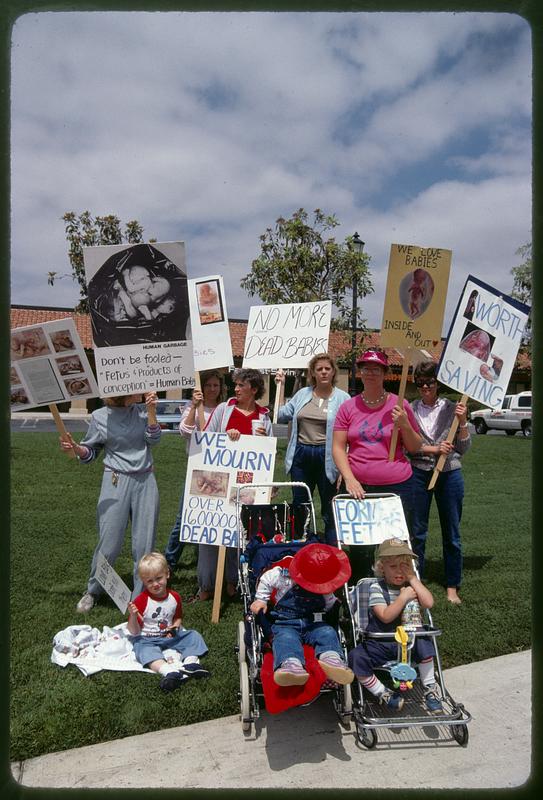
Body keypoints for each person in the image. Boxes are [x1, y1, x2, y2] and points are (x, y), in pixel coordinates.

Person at [59, 392, 161, 613]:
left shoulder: (143, 411)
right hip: (115, 480)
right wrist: (77, 449)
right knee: (109, 541)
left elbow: (154, 439)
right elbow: (90, 452)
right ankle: (93, 590)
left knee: (144, 543)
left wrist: (152, 412)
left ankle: (140, 596)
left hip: (145, 480)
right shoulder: (99, 416)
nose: (141, 390)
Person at [332, 348, 422, 580]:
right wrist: (350, 479)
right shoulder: (348, 407)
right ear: (359, 372)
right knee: (360, 548)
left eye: (376, 369)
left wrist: (404, 424)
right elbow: (338, 447)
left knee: (396, 546)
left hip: (397, 487)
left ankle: (399, 596)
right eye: (365, 368)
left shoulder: (400, 405)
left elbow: (414, 447)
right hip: (359, 488)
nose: (370, 373)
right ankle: (363, 595)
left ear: (385, 373)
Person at [198, 368, 273, 599]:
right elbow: (206, 438)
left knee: (238, 532)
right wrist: (224, 437)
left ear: (254, 389)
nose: (236, 389)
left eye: (241, 385)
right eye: (236, 385)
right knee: (211, 531)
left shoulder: (264, 417)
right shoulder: (224, 409)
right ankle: (207, 584)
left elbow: (267, 455)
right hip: (220, 480)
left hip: (246, 482)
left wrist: (261, 441)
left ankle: (233, 581)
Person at [348, 538, 443, 713]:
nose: (399, 571)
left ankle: (430, 688)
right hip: (381, 643)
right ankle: (383, 693)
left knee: (424, 639)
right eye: (393, 567)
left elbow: (428, 603)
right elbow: (385, 616)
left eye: (405, 566)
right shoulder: (376, 588)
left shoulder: (411, 586)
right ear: (382, 568)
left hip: (410, 643)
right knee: (356, 657)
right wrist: (403, 598)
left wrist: (413, 579)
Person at [409, 361, 471, 605]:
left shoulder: (454, 408)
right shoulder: (410, 409)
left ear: (438, 384)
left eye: (430, 382)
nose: (425, 387)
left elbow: (464, 448)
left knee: (452, 532)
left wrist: (463, 422)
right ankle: (417, 581)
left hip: (449, 473)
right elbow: (407, 446)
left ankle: (452, 585)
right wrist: (432, 448)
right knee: (417, 532)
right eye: (420, 383)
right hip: (419, 472)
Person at [250, 543, 354, 687]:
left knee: (327, 632)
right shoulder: (282, 575)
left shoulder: (322, 580)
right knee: (285, 639)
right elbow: (266, 579)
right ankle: (291, 665)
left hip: (314, 622)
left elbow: (329, 602)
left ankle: (331, 658)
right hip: (286, 623)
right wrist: (261, 599)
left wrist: (333, 606)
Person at [274, 354, 350, 546]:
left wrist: (344, 468)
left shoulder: (343, 398)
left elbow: (348, 434)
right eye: (319, 369)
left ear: (333, 372)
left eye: (327, 368)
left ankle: (334, 550)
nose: (323, 372)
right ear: (313, 373)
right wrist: (281, 386)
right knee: (300, 505)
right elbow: (282, 415)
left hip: (328, 456)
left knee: (329, 507)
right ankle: (299, 549)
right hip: (301, 455)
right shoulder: (303, 394)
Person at [163, 370, 225, 573]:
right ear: (201, 387)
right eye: (208, 385)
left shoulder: (224, 409)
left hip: (219, 468)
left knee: (213, 517)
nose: (212, 389)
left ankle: (210, 564)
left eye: (216, 385)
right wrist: (194, 408)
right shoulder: (192, 407)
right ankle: (169, 561)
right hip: (196, 468)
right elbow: (184, 431)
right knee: (184, 518)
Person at [127, 553, 210, 692]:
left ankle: (191, 665)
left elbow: (178, 617)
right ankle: (168, 672)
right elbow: (133, 631)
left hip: (169, 636)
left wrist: (175, 626)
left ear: (167, 574)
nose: (155, 584)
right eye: (149, 581)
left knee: (193, 635)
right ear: (143, 581)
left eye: (158, 578)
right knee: (141, 648)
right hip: (149, 639)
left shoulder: (174, 597)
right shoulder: (141, 600)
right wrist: (133, 616)